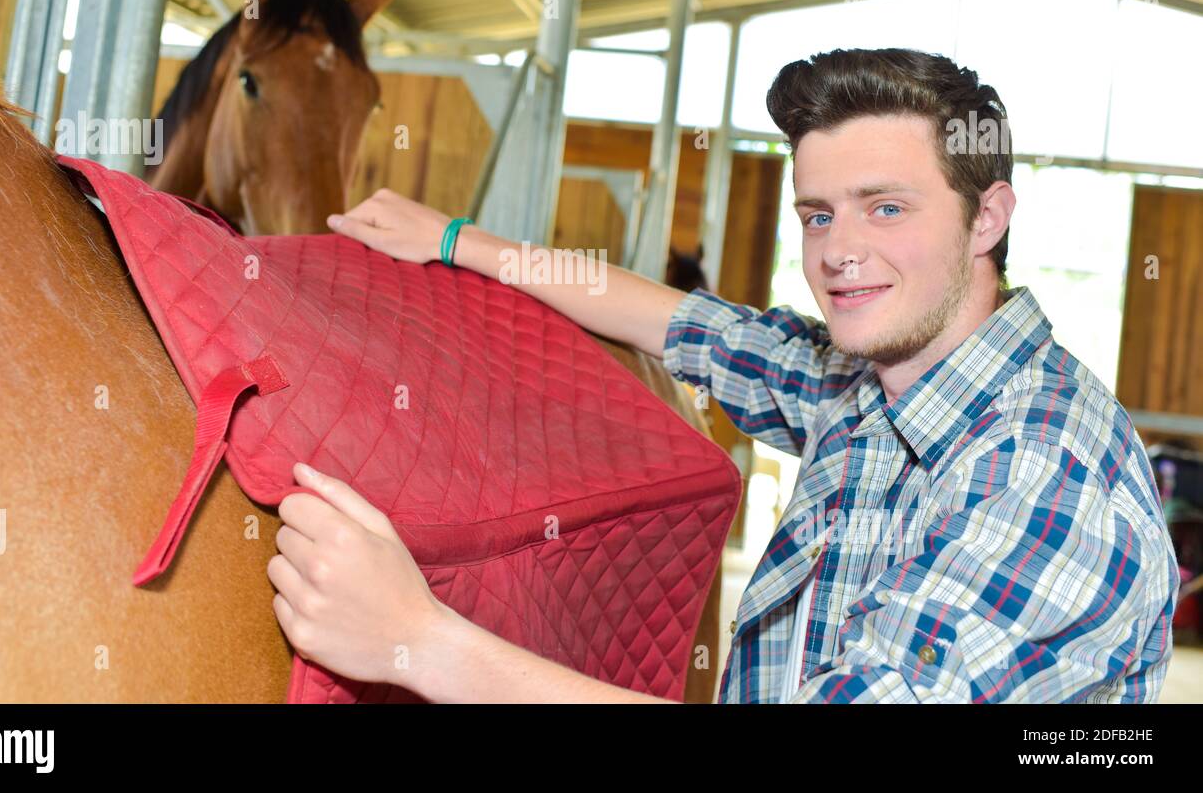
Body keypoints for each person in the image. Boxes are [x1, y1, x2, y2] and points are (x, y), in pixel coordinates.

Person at [268, 47, 1178, 702]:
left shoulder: (1043, 473)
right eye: (818, 215)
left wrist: (419, 640)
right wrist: (459, 242)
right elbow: (678, 322)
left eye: (886, 208)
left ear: (988, 219)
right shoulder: (867, 384)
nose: (841, 252)